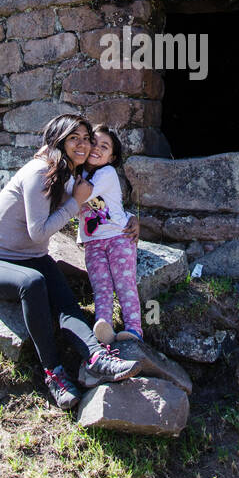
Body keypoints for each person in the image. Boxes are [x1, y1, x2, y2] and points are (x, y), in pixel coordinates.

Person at [0, 114, 142, 409]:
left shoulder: (69, 177)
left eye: (87, 138)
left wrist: (130, 218)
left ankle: (97, 358)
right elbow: (37, 230)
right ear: (58, 140)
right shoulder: (39, 172)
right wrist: (75, 202)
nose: (83, 144)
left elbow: (102, 210)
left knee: (67, 303)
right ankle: (54, 373)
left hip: (34, 257)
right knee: (33, 283)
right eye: (73, 138)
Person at [78, 124, 144, 344]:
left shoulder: (105, 173)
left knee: (125, 284)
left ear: (111, 157)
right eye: (94, 142)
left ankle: (134, 330)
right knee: (101, 285)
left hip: (119, 237)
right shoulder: (80, 172)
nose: (96, 149)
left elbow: (82, 195)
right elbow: (101, 208)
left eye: (104, 147)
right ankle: (103, 324)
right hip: (93, 242)